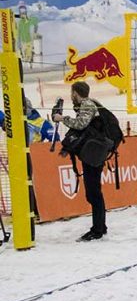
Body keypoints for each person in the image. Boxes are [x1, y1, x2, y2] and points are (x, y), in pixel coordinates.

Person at [52, 81, 107, 241]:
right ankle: (100, 226)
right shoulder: (86, 105)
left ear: (76, 92)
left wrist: (62, 118)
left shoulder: (87, 104)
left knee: (93, 192)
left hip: (94, 153)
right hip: (92, 152)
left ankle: (97, 230)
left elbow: (81, 124)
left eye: (72, 93)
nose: (71, 96)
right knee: (93, 192)